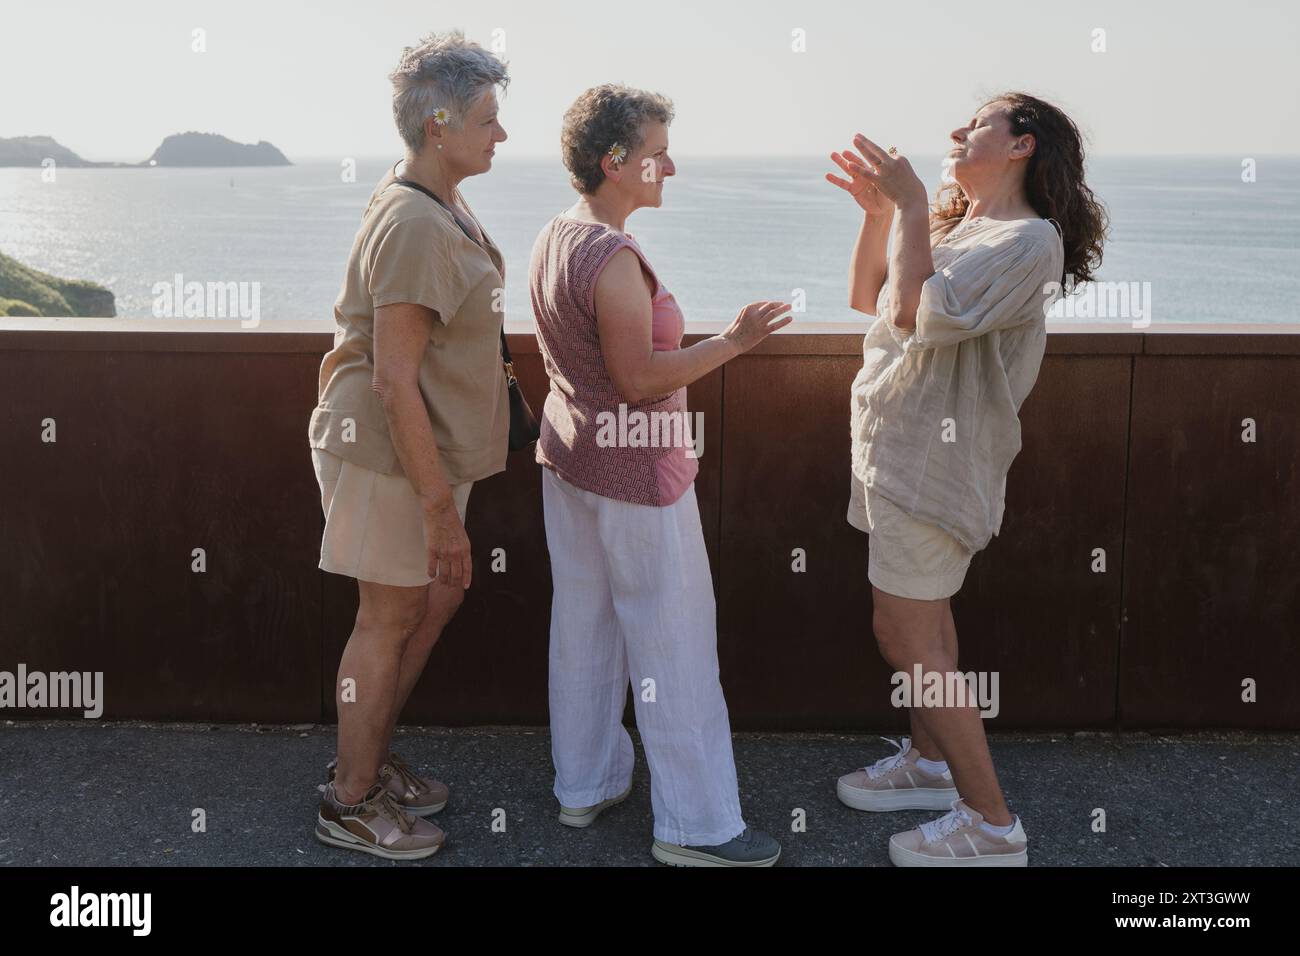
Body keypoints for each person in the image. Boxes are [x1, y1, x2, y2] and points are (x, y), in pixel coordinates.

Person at [825, 92, 1107, 866]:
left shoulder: (1029, 241)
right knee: (931, 621)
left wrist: (913, 204)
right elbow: (869, 299)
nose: (958, 130)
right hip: (896, 448)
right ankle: (931, 764)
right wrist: (882, 214)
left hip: (937, 464)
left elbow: (916, 313)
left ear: (1022, 146)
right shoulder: (963, 226)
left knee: (904, 633)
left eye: (979, 123)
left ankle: (992, 826)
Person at [530, 83, 792, 866]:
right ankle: (700, 828)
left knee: (584, 626)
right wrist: (735, 341)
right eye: (655, 154)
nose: (668, 166)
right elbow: (640, 379)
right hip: (636, 475)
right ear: (616, 163)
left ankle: (584, 786)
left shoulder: (555, 234)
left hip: (570, 457)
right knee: (672, 640)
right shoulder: (612, 258)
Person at [307, 31, 510, 860]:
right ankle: (350, 800)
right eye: (489, 119)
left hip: (426, 450)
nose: (501, 134)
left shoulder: (434, 198)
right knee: (385, 619)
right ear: (439, 124)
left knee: (425, 606)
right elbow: (394, 379)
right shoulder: (418, 222)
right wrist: (438, 511)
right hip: (392, 455)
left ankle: (369, 761)